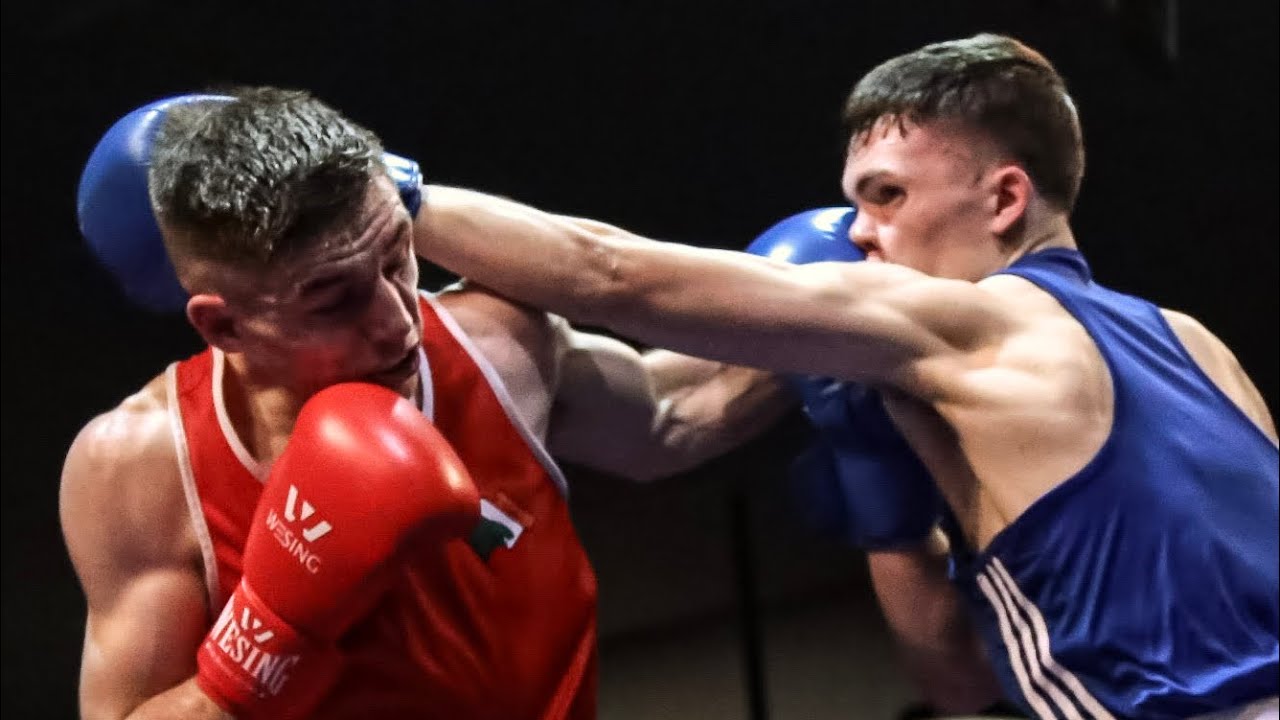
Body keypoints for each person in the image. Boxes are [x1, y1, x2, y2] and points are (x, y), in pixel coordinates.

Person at [409, 34, 1280, 719]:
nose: (855, 233)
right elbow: (962, 685)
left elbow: (613, 274)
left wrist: (385, 196)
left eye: (887, 196)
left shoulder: (976, 322)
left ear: (1005, 199)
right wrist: (888, 502)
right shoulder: (1199, 346)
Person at [61, 88, 792, 719]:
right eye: (335, 298)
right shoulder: (145, 466)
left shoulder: (493, 346)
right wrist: (267, 634)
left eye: (398, 259)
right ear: (224, 325)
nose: (398, 321)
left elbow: (671, 416)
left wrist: (831, 335)